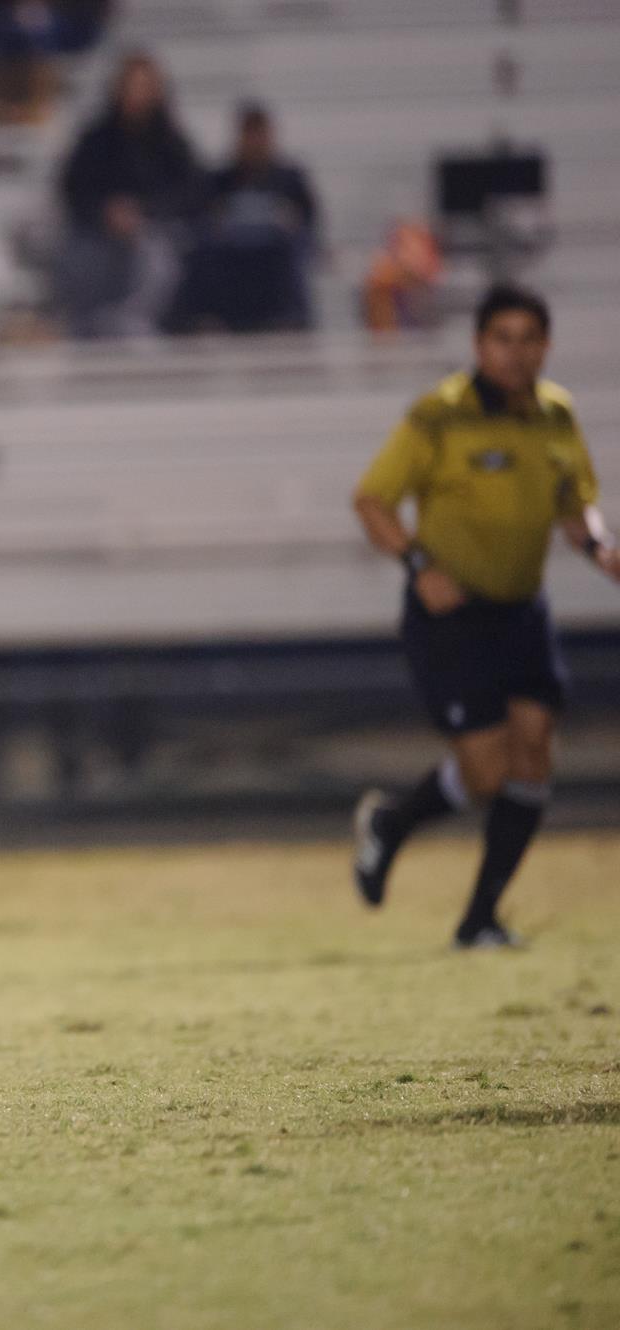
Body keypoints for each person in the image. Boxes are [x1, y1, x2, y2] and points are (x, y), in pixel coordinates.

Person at [350, 285, 620, 949]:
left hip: (522, 611)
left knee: (534, 752)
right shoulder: (440, 415)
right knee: (486, 773)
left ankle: (479, 920)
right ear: (479, 345)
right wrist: (419, 565)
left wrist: (599, 546)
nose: (516, 353)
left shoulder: (556, 415)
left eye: (529, 339)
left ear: (545, 347)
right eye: (503, 338)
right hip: (453, 617)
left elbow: (574, 502)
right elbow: (373, 500)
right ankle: (392, 823)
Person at [55, 51, 197, 338]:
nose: (136, 95)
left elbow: (188, 191)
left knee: (158, 258)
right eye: (131, 87)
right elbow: (74, 189)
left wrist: (144, 212)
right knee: (78, 257)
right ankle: (88, 326)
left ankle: (136, 322)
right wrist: (105, 212)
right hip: (98, 232)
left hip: (153, 230)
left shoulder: (171, 142)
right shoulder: (95, 140)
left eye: (143, 87)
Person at [163, 103, 319, 334]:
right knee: (200, 248)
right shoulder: (219, 179)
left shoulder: (290, 179)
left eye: (260, 135)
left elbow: (309, 221)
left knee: (293, 249)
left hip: (275, 251)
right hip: (231, 253)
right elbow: (199, 217)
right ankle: (202, 317)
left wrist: (291, 220)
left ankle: (290, 318)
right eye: (250, 135)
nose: (255, 143)